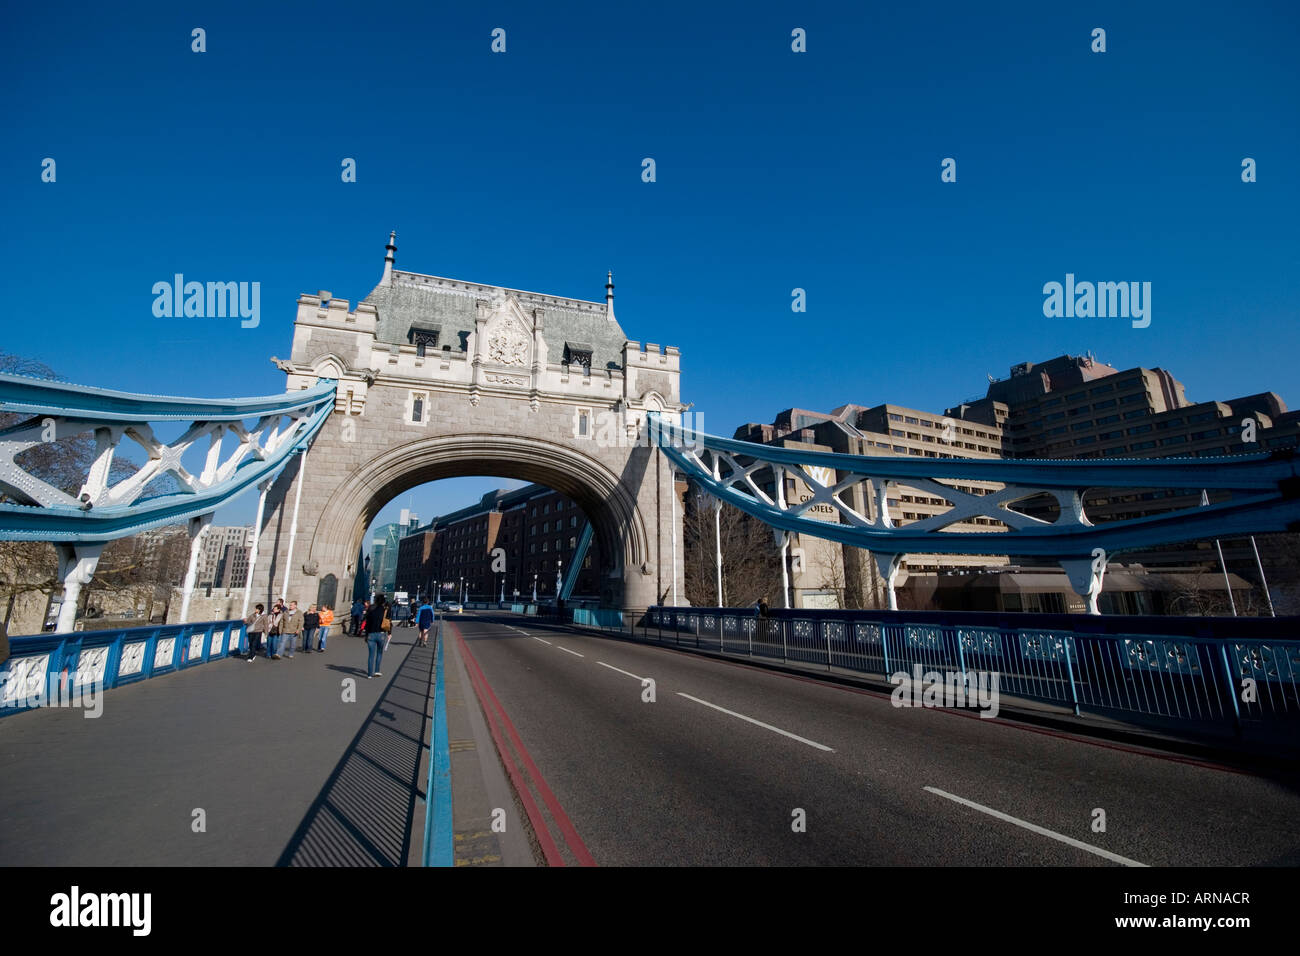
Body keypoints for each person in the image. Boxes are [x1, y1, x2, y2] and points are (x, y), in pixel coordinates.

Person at [364, 595, 388, 679]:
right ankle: (377, 670)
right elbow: (388, 622)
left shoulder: (371, 610)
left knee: (371, 655)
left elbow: (367, 623)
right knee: (379, 653)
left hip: (371, 634)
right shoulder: (385, 611)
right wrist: (389, 633)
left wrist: (366, 635)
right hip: (381, 634)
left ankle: (369, 674)